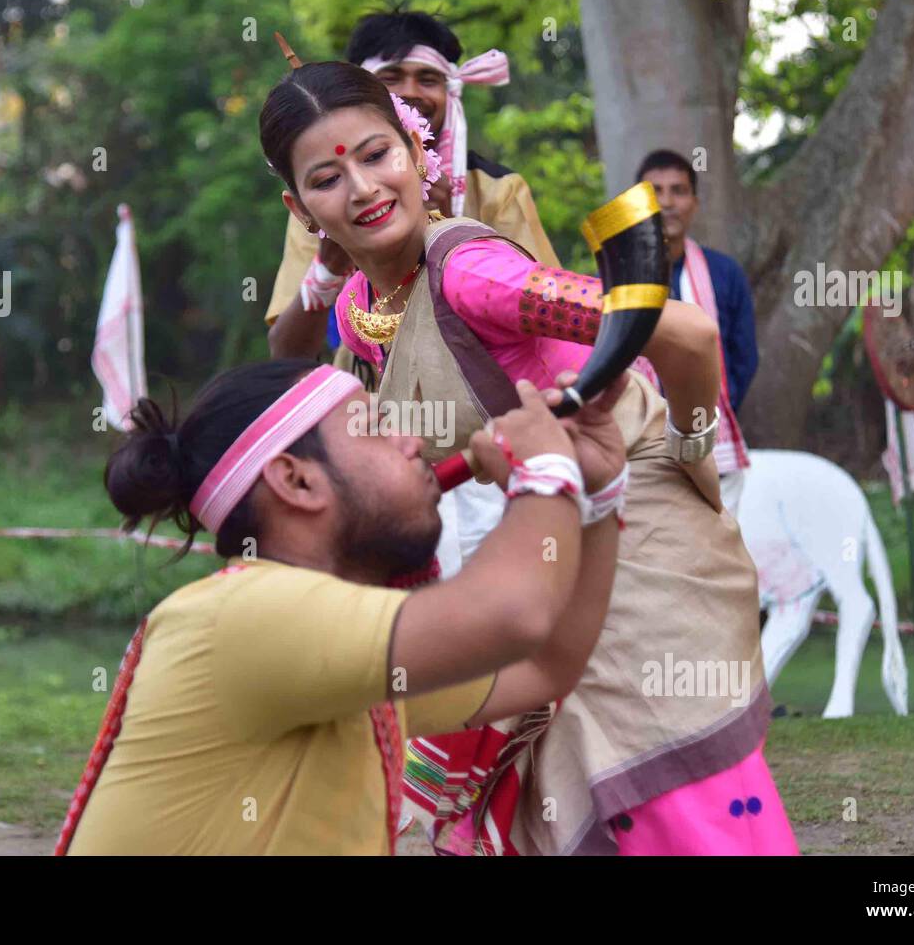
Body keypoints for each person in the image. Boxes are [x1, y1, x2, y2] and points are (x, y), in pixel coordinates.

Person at [258, 58, 798, 854]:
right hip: (537, 554)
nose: (365, 189)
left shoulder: (472, 271)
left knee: (666, 796)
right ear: (299, 206)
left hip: (632, 546)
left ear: (415, 148)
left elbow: (687, 332)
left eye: (377, 155)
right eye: (329, 177)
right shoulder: (357, 303)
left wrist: (689, 455)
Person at [58, 358, 627, 854]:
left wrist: (599, 496)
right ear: (296, 480)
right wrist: (543, 470)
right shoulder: (249, 613)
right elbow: (514, 613)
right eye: (377, 428)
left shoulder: (330, 635)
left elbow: (544, 667)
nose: (414, 443)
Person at [265, 5, 559, 365]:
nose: (363, 191)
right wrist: (326, 271)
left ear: (417, 151)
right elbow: (287, 354)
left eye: (428, 79)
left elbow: (557, 312)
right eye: (391, 78)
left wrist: (453, 233)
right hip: (375, 411)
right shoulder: (325, 210)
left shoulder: (497, 188)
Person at [637, 149, 758, 515]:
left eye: (678, 190)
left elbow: (744, 359)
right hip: (637, 451)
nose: (667, 202)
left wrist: (701, 419)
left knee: (716, 561)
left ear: (695, 203)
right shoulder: (613, 276)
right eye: (654, 191)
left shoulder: (724, 274)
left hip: (712, 448)